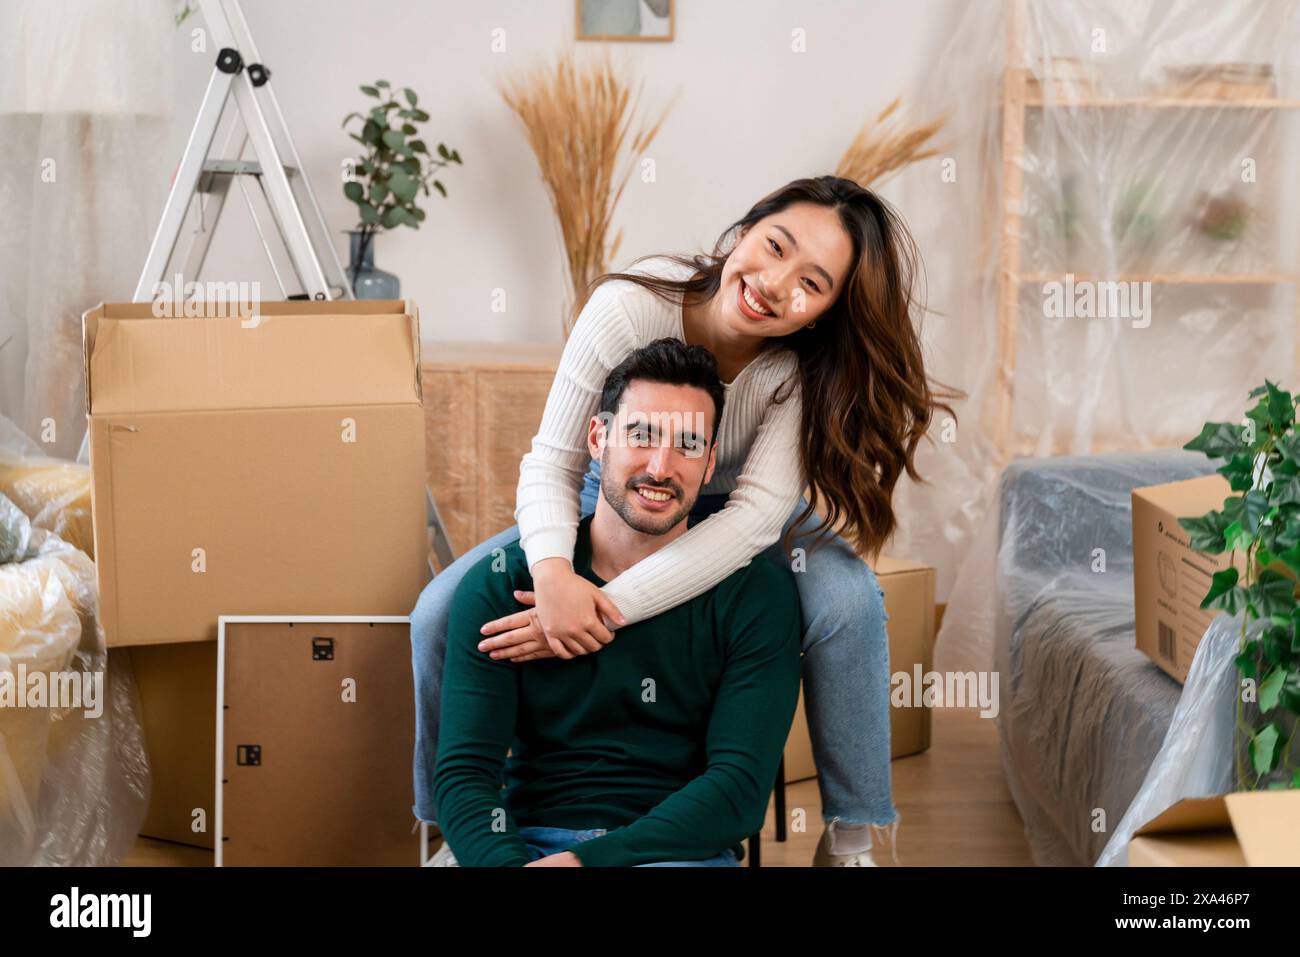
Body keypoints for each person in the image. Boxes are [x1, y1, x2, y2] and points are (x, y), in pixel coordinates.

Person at [413, 174, 963, 866]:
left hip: (745, 508)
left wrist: (603, 606)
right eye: (774, 246)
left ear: (823, 311)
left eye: (811, 282)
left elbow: (750, 523)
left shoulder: (800, 370)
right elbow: (554, 460)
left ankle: (853, 834)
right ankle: (447, 830)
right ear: (742, 231)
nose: (774, 281)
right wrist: (554, 575)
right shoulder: (629, 308)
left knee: (849, 600)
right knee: (438, 608)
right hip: (609, 486)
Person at [432, 340, 801, 866]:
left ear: (711, 461)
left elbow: (737, 791)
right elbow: (466, 774)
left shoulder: (755, 597)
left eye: (688, 445)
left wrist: (585, 863)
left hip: (670, 852)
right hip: (522, 845)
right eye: (641, 435)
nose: (661, 466)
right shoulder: (502, 583)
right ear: (598, 437)